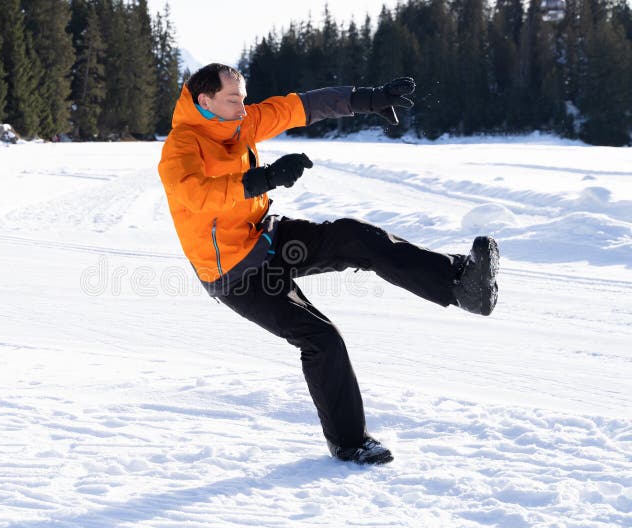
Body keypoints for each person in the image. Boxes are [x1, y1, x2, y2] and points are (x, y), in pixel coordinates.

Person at [157, 63, 499, 465]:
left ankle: (461, 284)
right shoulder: (181, 146)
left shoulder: (239, 123)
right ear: (205, 101)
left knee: (353, 236)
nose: (244, 108)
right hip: (234, 273)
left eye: (244, 98)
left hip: (266, 236)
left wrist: (366, 99)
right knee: (322, 339)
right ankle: (350, 442)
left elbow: (298, 107)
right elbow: (194, 194)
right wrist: (261, 180)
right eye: (234, 100)